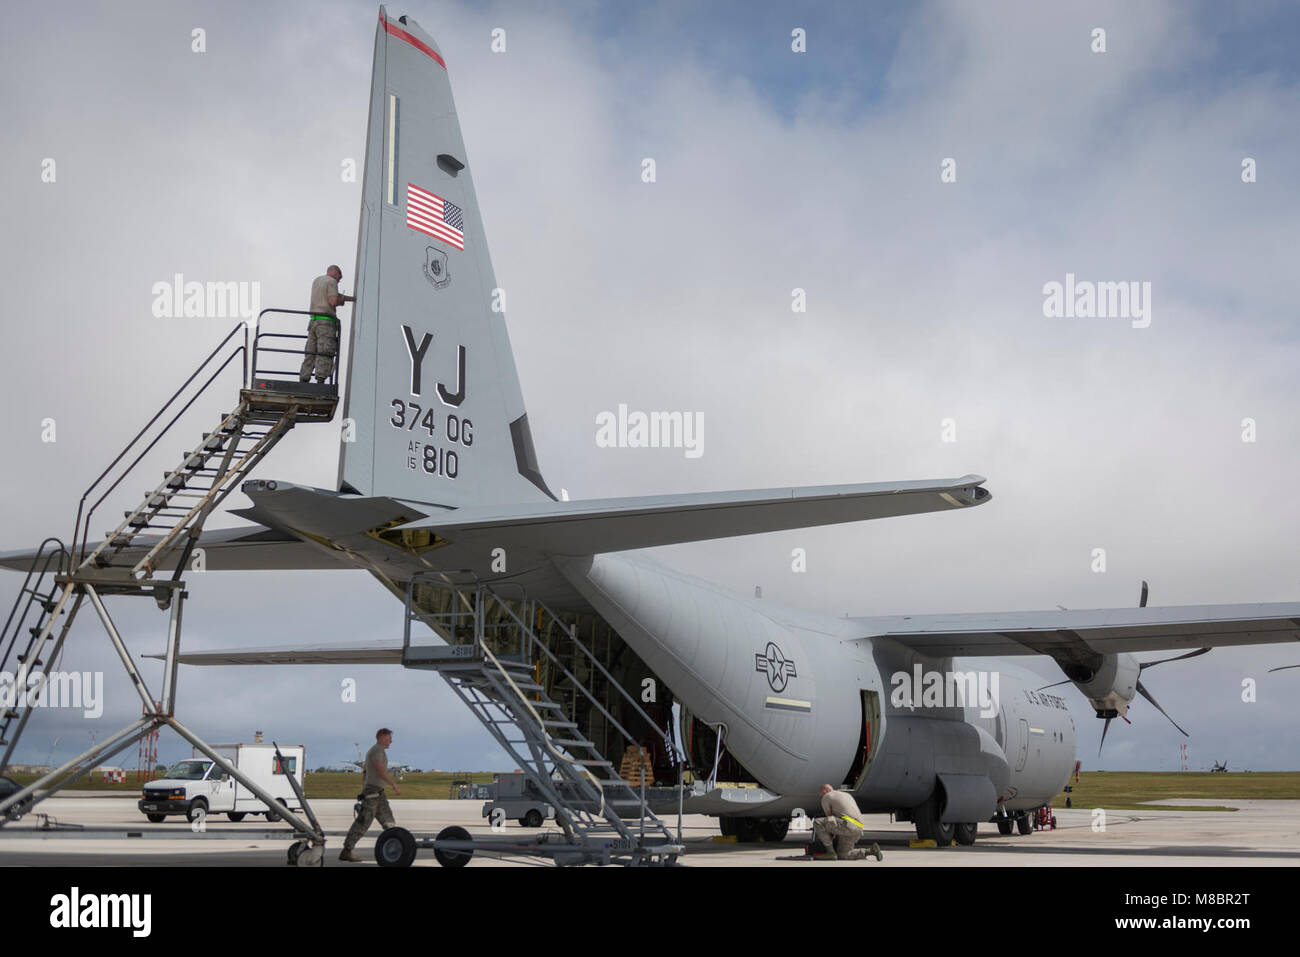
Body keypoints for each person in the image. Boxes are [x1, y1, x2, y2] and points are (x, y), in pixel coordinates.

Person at [339, 727, 400, 862]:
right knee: (364, 822)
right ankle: (347, 851)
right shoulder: (377, 751)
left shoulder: (377, 751)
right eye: (390, 739)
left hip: (378, 792)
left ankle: (396, 848)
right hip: (373, 792)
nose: (391, 741)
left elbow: (365, 771)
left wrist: (364, 787)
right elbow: (380, 770)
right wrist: (394, 784)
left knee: (389, 822)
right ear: (383, 737)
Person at [299, 265, 354, 384]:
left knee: (311, 352)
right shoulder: (332, 281)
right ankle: (320, 380)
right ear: (336, 273)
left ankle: (304, 378)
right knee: (325, 351)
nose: (340, 279)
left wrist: (350, 298)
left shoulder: (317, 280)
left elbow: (330, 296)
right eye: (340, 276)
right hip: (326, 323)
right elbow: (333, 301)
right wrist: (341, 301)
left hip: (314, 321)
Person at [813, 783, 882, 861]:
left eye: (821, 793)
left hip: (847, 825)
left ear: (825, 791)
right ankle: (871, 851)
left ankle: (830, 852)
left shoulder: (827, 796)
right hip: (858, 828)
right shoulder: (846, 795)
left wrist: (829, 836)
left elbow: (830, 818)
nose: (821, 795)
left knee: (818, 822)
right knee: (844, 854)